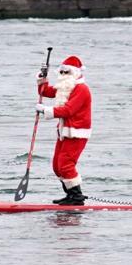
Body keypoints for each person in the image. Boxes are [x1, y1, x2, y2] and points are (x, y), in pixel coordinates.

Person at [35, 55, 94, 205]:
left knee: (66, 164)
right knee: (57, 165)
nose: (62, 76)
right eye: (61, 73)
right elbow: (47, 92)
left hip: (76, 132)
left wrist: (46, 110)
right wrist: (43, 80)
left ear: (74, 73)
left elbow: (68, 110)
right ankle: (70, 195)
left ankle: (77, 197)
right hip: (64, 131)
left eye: (66, 73)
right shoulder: (67, 87)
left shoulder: (82, 89)